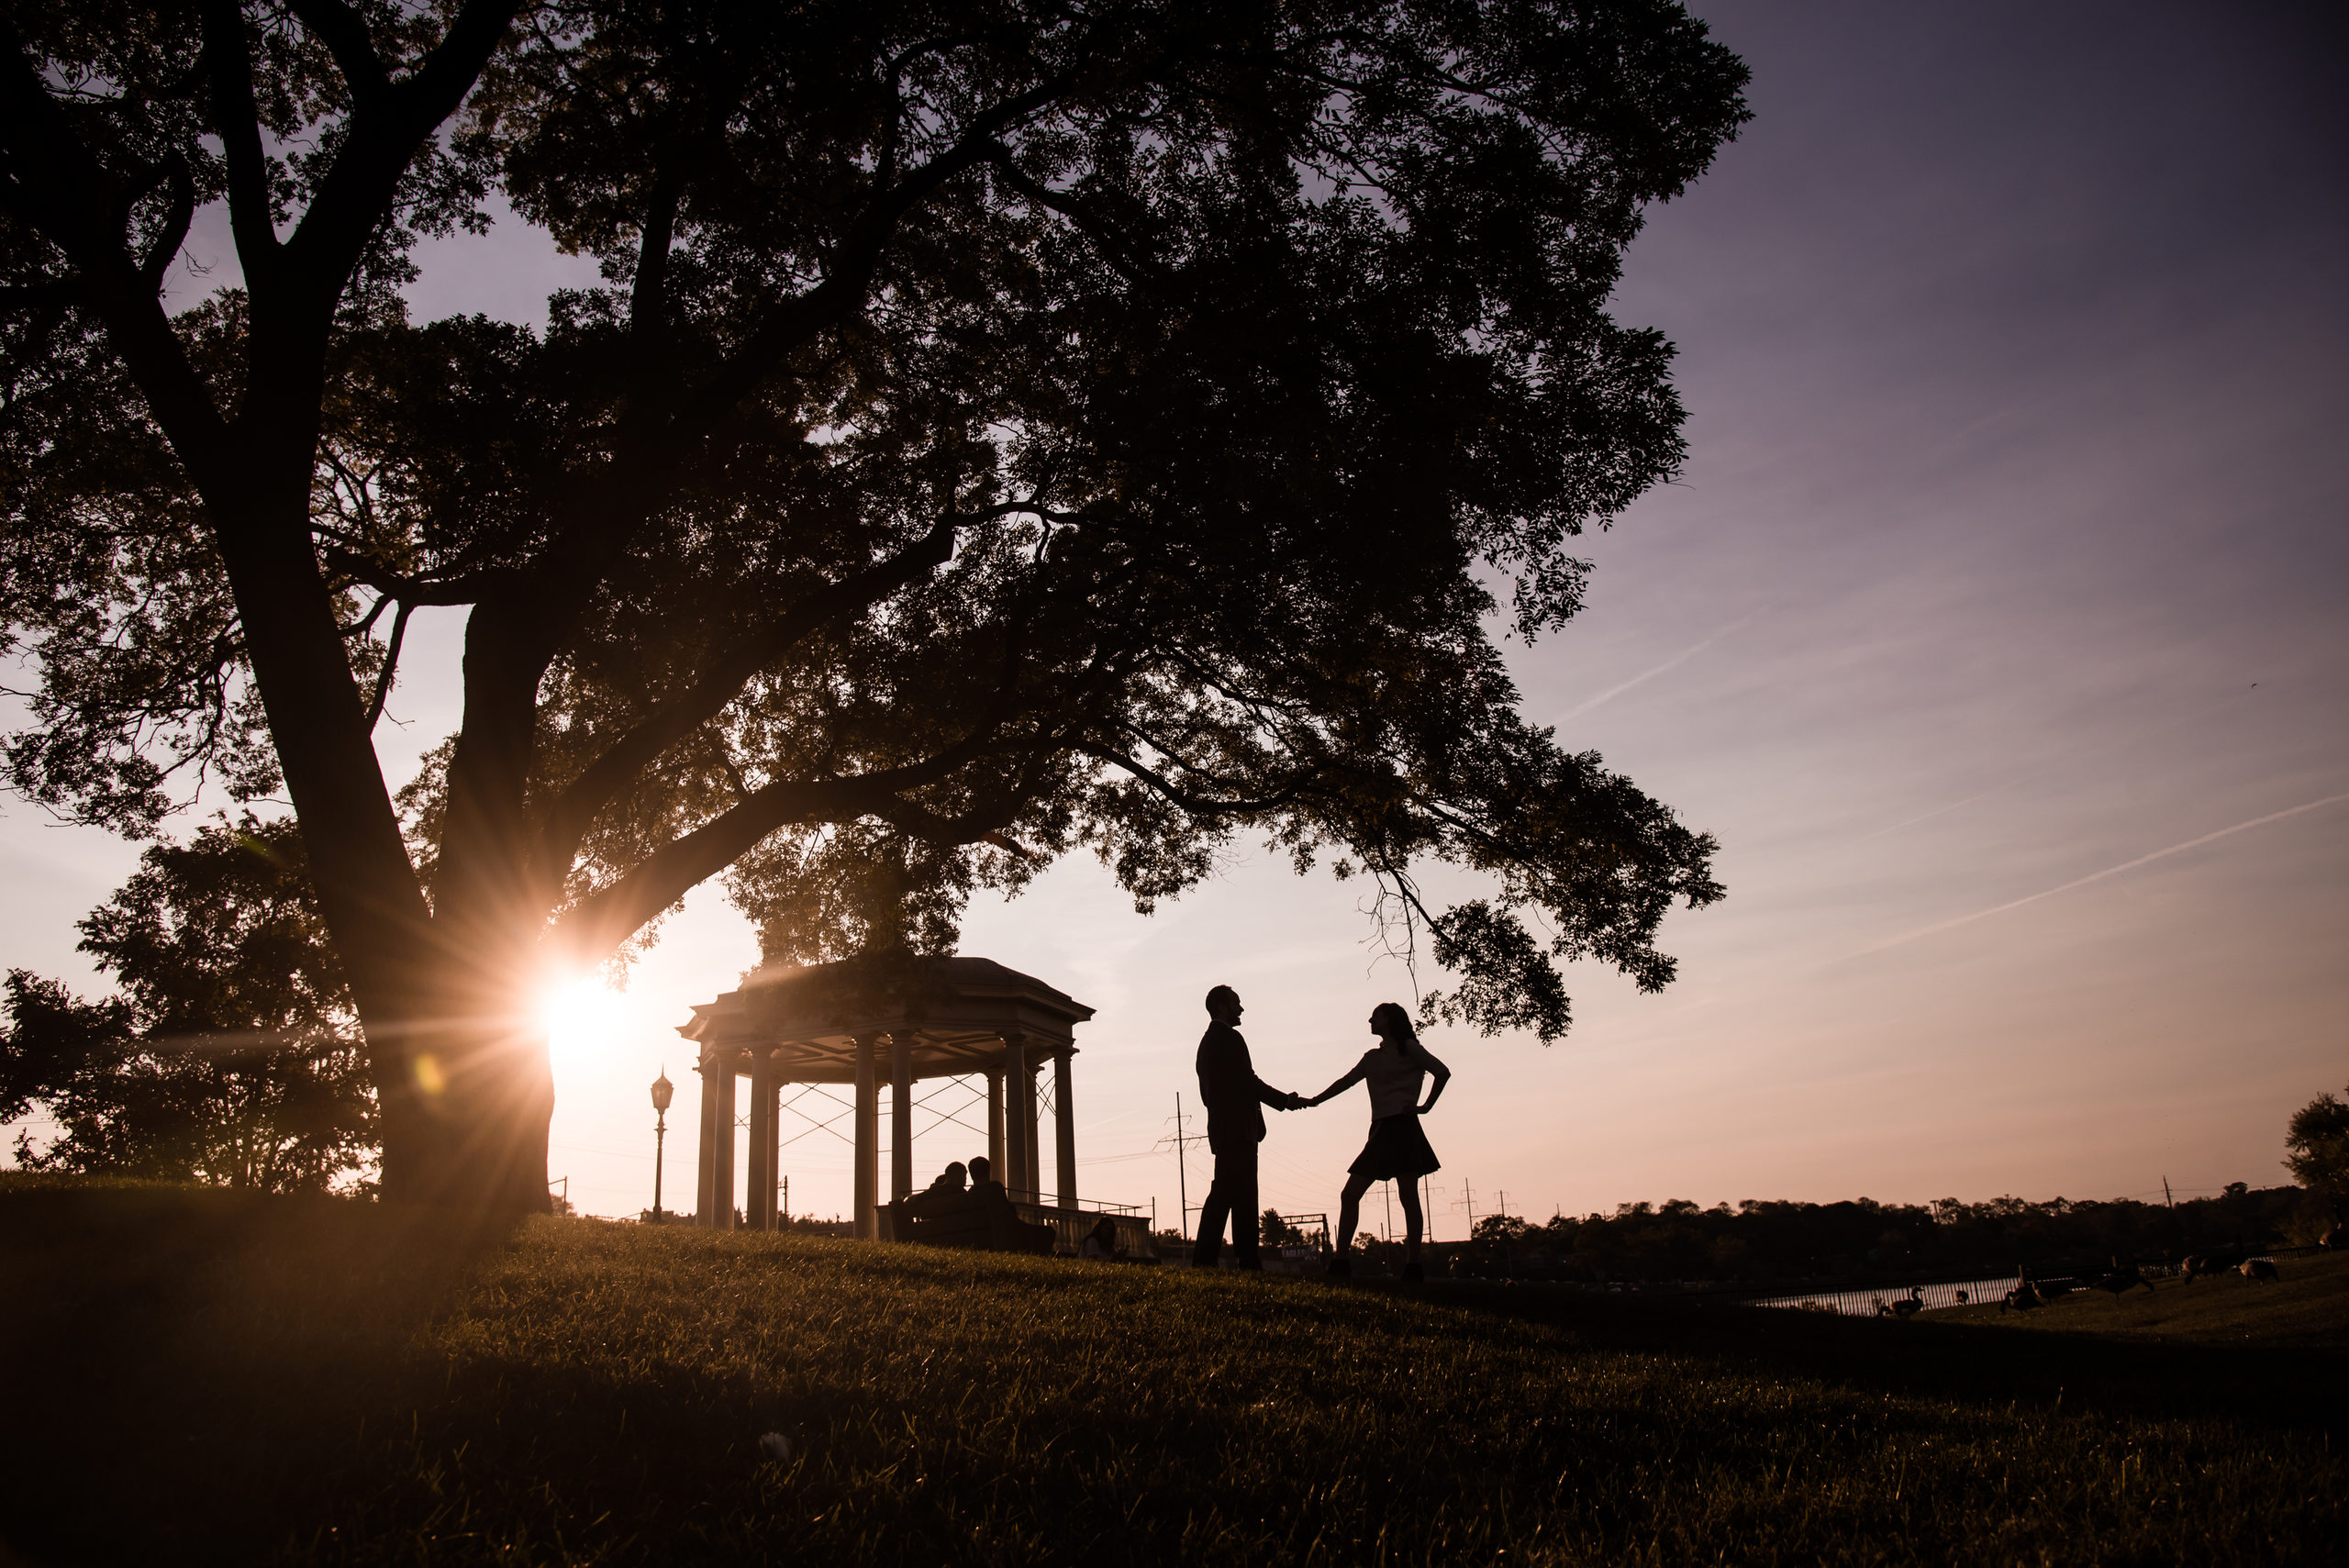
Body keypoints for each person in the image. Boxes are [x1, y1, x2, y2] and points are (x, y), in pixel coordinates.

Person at [1300, 1001, 1449, 1281]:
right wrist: (1314, 1101)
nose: (1370, 1021)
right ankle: (1341, 1261)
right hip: (1380, 1131)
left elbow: (1442, 1072)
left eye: (1375, 1017)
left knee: (1408, 1196)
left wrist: (1425, 1106)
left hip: (1404, 1128)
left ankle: (1413, 1265)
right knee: (1350, 1194)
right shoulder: (1371, 1058)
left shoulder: (1411, 1050)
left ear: (1389, 1021)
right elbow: (1345, 1081)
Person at [1192, 984, 1304, 1269]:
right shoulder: (1230, 1039)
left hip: (1224, 1129)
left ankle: (1233, 1259)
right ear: (1221, 1007)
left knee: (1234, 1195)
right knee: (1234, 1197)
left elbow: (1210, 1094)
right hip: (1238, 1131)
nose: (1241, 1009)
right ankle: (1225, 1258)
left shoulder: (1207, 1043)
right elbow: (1248, 1081)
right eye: (1236, 1003)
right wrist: (1284, 1101)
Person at [901, 1161, 968, 1219]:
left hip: (933, 1232)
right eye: (964, 1176)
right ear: (957, 1176)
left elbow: (911, 1200)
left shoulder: (933, 1192)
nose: (965, 1179)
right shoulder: (965, 1195)